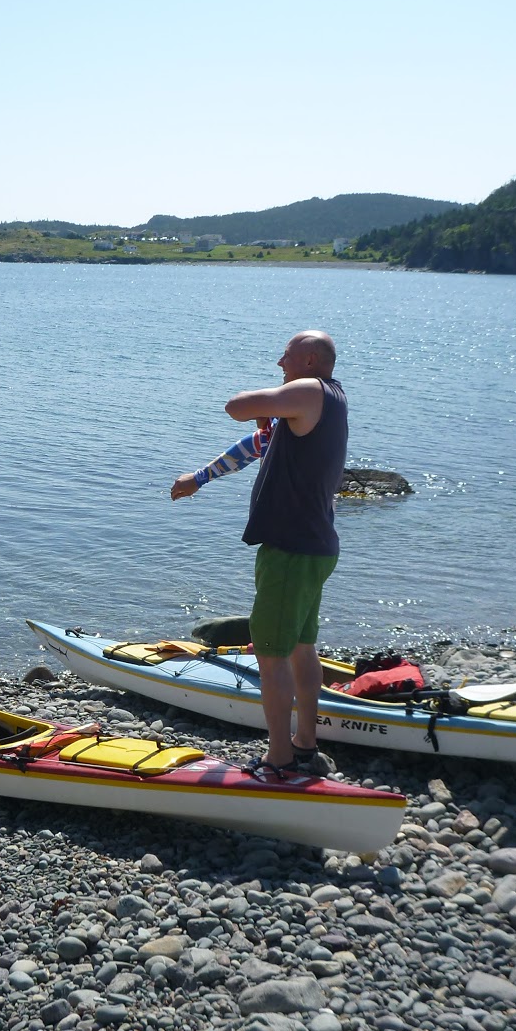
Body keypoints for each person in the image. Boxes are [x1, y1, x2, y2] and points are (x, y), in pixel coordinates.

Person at [171, 330, 348, 776]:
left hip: (289, 551)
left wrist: (266, 407)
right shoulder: (323, 407)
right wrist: (200, 477)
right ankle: (305, 745)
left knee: (269, 656)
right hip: (316, 548)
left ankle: (279, 759)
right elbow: (254, 446)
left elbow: (236, 407)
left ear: (308, 360)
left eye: (286, 356)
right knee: (301, 649)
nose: (278, 363)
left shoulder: (308, 391)